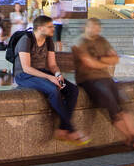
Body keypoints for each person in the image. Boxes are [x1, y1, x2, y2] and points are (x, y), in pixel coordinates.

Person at [73, 17, 134, 150]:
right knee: (114, 110)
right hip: (89, 80)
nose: (95, 30)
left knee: (124, 105)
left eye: (97, 27)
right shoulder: (80, 43)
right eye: (92, 27)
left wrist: (100, 60)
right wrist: (104, 61)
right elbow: (89, 63)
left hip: (106, 78)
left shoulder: (102, 40)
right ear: (85, 27)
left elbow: (115, 59)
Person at [14, 15, 86, 144]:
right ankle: (71, 129)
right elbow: (26, 68)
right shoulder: (26, 40)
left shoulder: (48, 41)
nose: (53, 29)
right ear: (40, 28)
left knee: (72, 90)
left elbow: (52, 65)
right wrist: (50, 77)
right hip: (24, 76)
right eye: (50, 27)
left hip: (41, 73)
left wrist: (58, 74)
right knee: (53, 90)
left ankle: (62, 128)